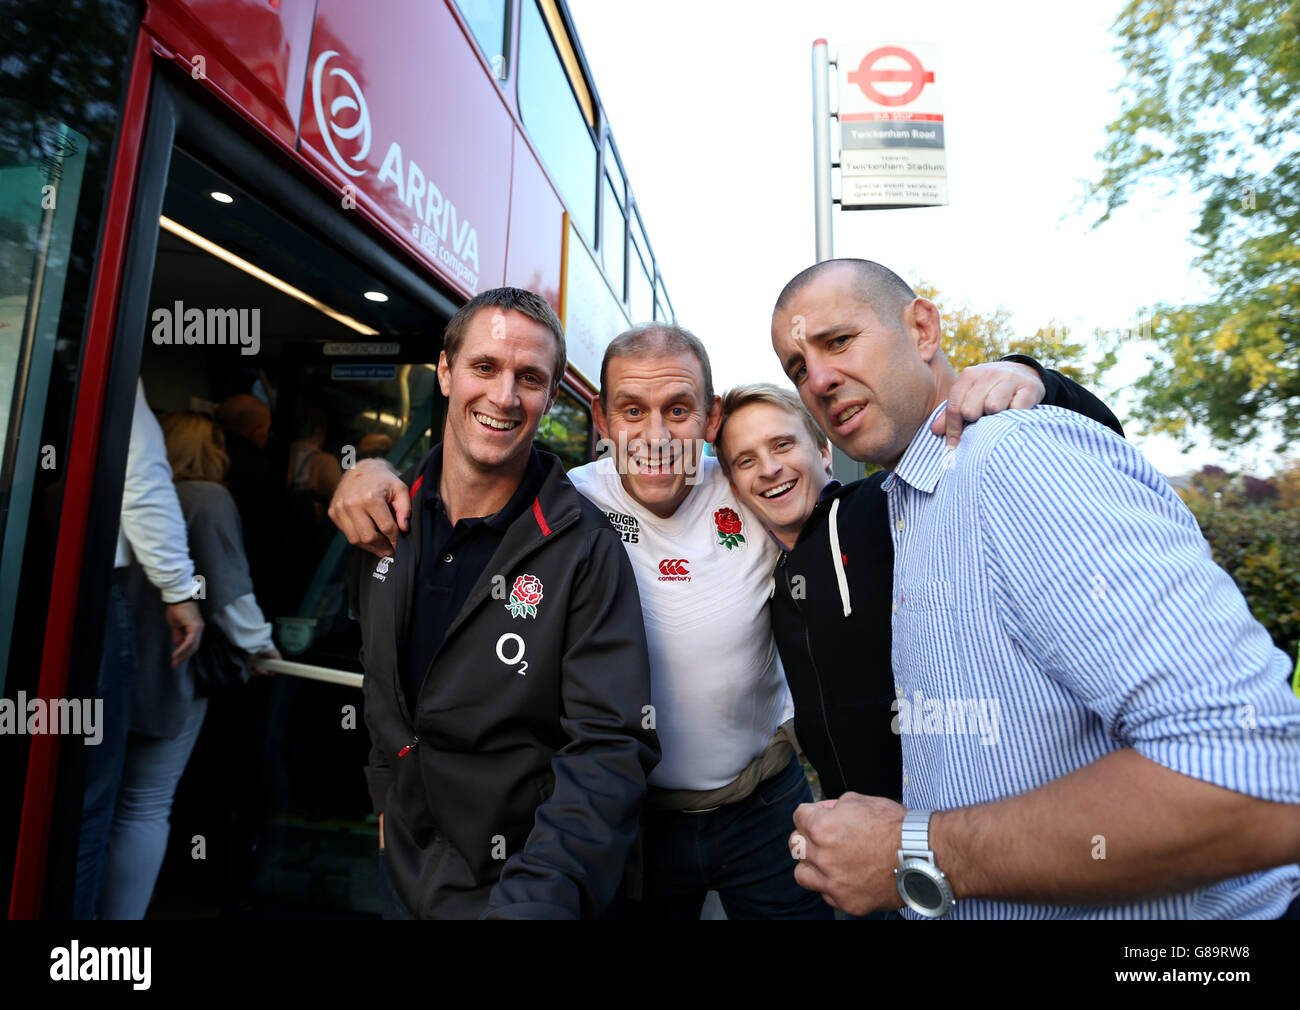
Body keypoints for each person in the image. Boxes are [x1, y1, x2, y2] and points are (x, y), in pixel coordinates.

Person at [331, 318, 1069, 919]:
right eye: (632, 410)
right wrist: (371, 473)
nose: (656, 434)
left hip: (766, 807)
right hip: (637, 826)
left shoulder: (751, 487)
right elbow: (476, 462)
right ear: (601, 419)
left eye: (679, 410)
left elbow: (897, 483)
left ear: (710, 417)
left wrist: (1033, 379)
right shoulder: (567, 507)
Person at [771, 258, 1300, 919]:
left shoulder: (1015, 461)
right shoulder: (910, 500)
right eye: (796, 367)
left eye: (838, 341)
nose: (817, 379)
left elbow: (1249, 778)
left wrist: (913, 851)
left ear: (924, 327)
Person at [335, 287, 659, 919]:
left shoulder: (586, 548)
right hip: (402, 877)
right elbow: (381, 685)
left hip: (520, 892)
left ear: (551, 395)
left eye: (530, 378)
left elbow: (608, 751)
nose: (505, 397)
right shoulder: (382, 521)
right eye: (485, 367)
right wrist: (385, 800)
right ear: (446, 371)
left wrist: (536, 902)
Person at [712, 373, 1123, 803]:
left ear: (823, 450)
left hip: (955, 823)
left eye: (782, 445)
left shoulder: (883, 506)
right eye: (746, 460)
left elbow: (1084, 433)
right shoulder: (767, 573)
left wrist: (1031, 377)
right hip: (855, 833)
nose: (770, 468)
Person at [100, 411, 279, 918]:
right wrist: (261, 647)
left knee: (100, 801)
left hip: (103, 672)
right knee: (146, 804)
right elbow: (229, 594)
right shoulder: (207, 498)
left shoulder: (112, 493)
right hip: (170, 673)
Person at [75, 379, 204, 919]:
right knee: (88, 803)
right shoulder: (100, 370)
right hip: (91, 602)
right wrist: (181, 592)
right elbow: (140, 483)